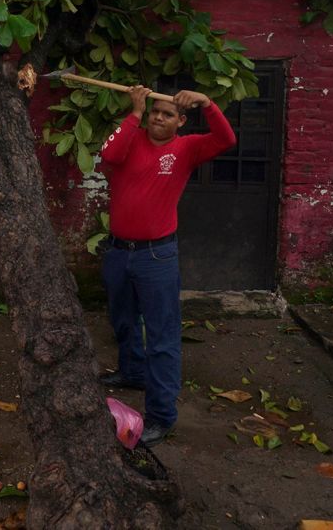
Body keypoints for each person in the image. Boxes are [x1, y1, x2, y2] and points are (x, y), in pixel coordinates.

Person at [97, 85, 236, 447]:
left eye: (168, 114)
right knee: (123, 318)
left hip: (156, 256)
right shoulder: (132, 137)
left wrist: (208, 103)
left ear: (181, 121)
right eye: (155, 111)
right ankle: (132, 372)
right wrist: (134, 111)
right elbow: (110, 155)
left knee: (162, 336)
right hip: (117, 251)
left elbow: (226, 138)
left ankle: (161, 415)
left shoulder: (187, 148)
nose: (159, 117)